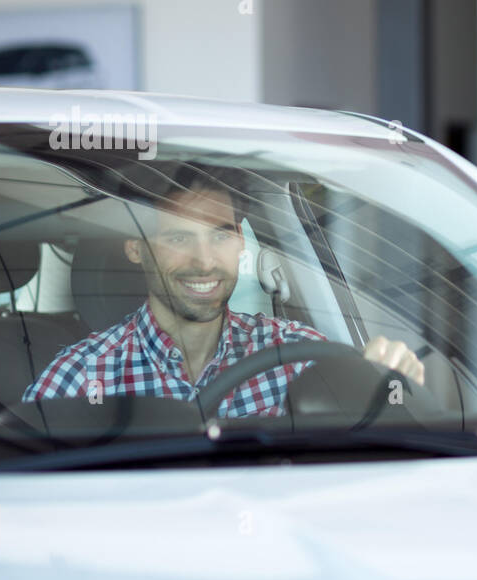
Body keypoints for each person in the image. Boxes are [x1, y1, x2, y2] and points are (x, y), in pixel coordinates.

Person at [23, 166, 423, 418]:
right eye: (179, 237)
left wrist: (389, 383)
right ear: (136, 248)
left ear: (240, 242)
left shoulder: (298, 357)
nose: (205, 261)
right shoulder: (79, 379)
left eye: (220, 235)